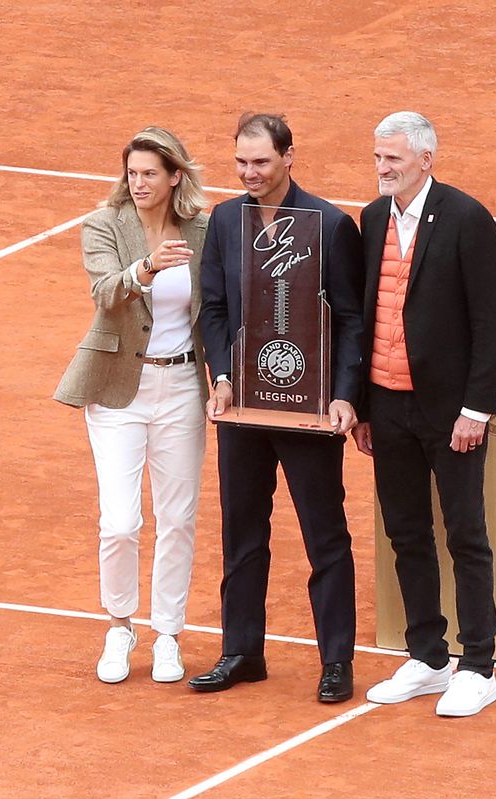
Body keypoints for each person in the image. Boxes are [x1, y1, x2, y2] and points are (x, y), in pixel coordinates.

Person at [189, 113, 364, 703]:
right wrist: (220, 376)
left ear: (290, 158)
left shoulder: (332, 225)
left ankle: (336, 661)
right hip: (242, 412)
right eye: (240, 162)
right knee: (241, 532)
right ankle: (241, 651)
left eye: (260, 162)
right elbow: (212, 308)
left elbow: (351, 319)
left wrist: (343, 393)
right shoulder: (224, 220)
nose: (249, 173)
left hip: (308, 412)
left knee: (325, 538)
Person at [352, 112, 496, 717]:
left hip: (451, 413)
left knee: (465, 534)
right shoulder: (371, 220)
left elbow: (493, 322)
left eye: (392, 158)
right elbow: (365, 315)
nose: (383, 168)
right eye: (377, 157)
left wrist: (476, 408)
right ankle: (428, 657)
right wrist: (364, 404)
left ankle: (478, 666)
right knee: (406, 531)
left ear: (426, 159)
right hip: (387, 404)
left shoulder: (467, 219)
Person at [53, 127, 210, 685]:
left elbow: (217, 305)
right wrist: (146, 269)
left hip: (184, 388)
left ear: (175, 178)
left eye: (149, 173)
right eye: (132, 173)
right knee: (120, 522)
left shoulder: (202, 229)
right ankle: (119, 625)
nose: (138, 183)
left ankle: (168, 634)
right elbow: (104, 291)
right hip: (121, 389)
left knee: (178, 519)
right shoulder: (103, 225)